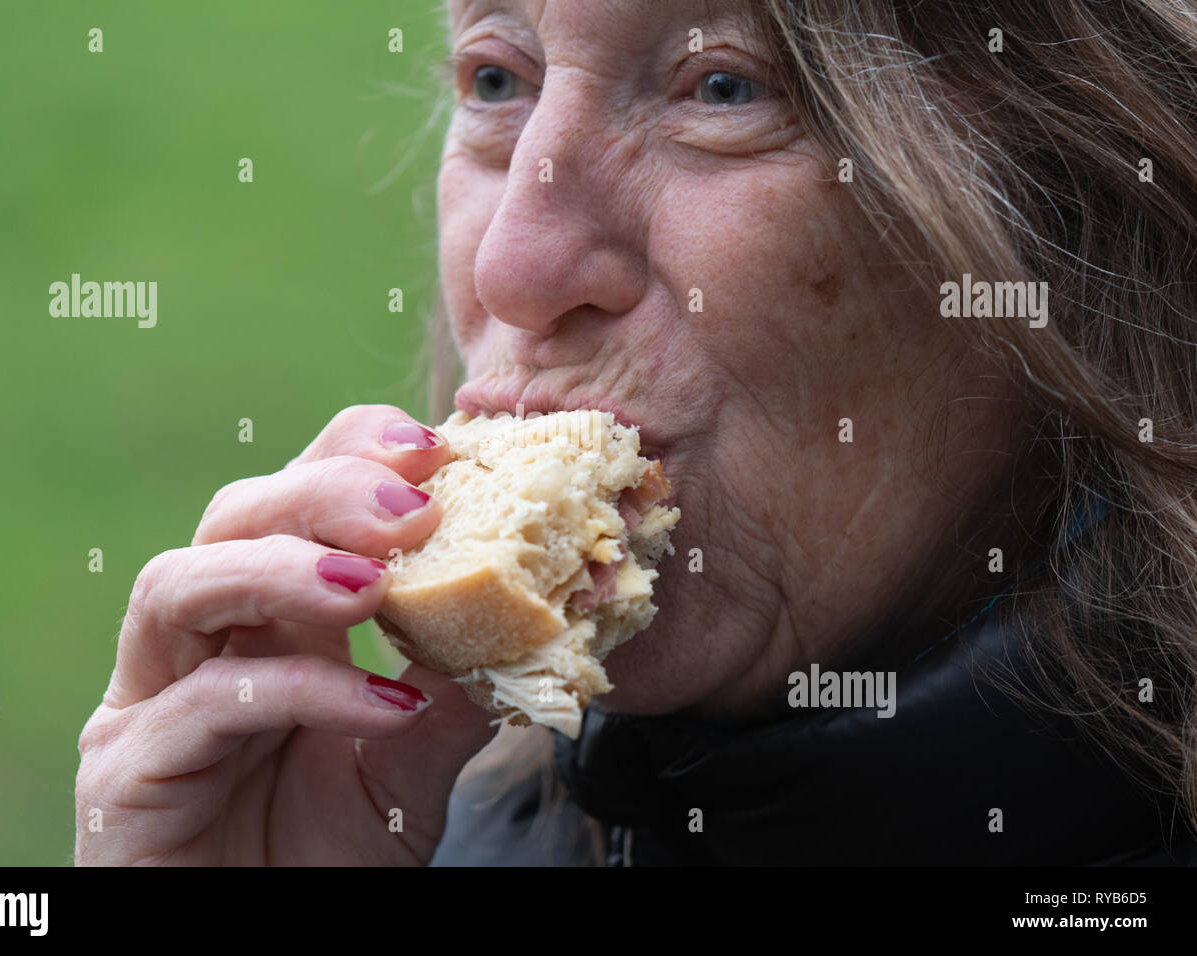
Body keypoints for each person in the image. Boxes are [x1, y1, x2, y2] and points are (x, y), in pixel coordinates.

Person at [75, 0, 1197, 865]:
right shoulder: (393, 823)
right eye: (496, 77)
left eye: (720, 87)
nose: (512, 267)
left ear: (1075, 204)